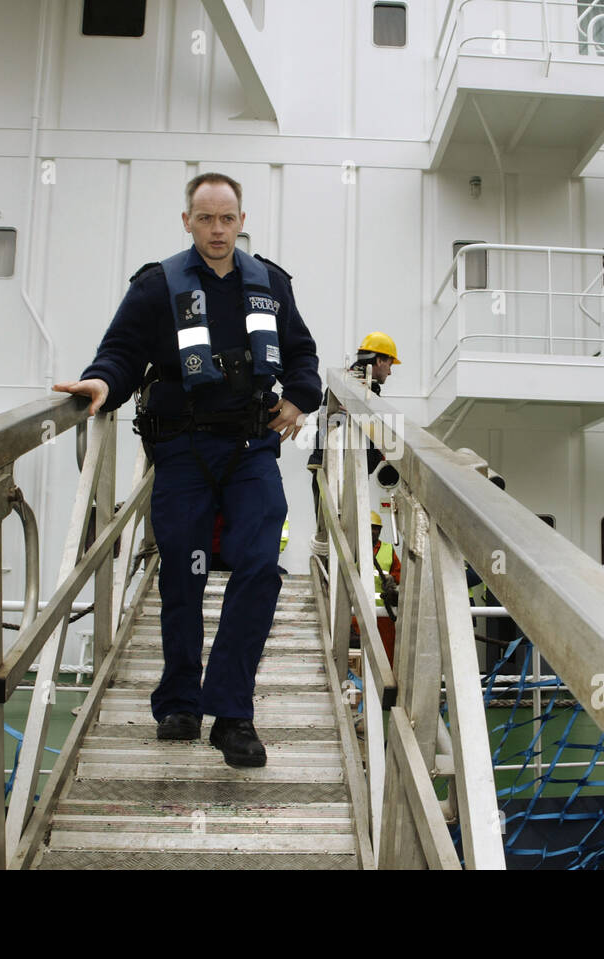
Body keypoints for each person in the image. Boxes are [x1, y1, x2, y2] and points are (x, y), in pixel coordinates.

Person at [53, 173, 321, 767]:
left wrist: (301, 397)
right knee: (183, 571)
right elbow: (121, 352)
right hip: (182, 450)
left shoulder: (270, 284)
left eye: (227, 219)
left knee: (258, 566)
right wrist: (100, 383)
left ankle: (232, 714)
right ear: (187, 221)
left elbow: (302, 355)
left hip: (252, 449)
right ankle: (178, 700)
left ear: (241, 220)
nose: (217, 230)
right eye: (205, 218)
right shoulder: (158, 286)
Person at [306, 332, 401, 531]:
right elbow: (329, 423)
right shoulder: (349, 386)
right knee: (338, 534)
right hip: (339, 472)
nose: (390, 372)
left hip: (348, 471)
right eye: (389, 365)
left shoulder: (360, 388)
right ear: (379, 360)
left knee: (343, 536)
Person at [349, 511, 401, 665]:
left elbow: (399, 573)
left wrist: (393, 579)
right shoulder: (353, 549)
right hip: (359, 612)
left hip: (384, 613)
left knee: (387, 653)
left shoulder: (388, 549)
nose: (373, 531)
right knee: (360, 653)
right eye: (370, 527)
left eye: (376, 528)